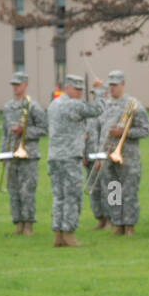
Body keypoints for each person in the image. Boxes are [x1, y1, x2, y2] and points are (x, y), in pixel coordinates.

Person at [46, 74, 102, 246]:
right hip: (70, 157)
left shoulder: (54, 104)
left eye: (81, 90)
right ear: (67, 88)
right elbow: (97, 109)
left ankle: (58, 234)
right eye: (76, 89)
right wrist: (99, 90)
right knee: (73, 196)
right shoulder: (73, 104)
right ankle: (69, 234)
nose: (79, 93)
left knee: (59, 196)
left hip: (55, 156)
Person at [94, 70, 149, 236]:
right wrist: (99, 155)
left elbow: (145, 130)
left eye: (115, 85)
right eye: (110, 85)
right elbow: (101, 132)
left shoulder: (134, 105)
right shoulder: (105, 105)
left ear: (123, 84)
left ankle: (129, 225)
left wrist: (125, 133)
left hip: (128, 156)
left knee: (129, 191)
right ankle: (117, 223)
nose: (112, 88)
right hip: (108, 155)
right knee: (113, 190)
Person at [1, 72, 48, 236]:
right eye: (13, 84)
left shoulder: (33, 106)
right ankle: (18, 223)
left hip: (29, 154)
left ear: (26, 85)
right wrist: (3, 153)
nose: (15, 87)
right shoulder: (8, 107)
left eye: (18, 84)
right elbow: (5, 132)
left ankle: (29, 224)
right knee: (13, 191)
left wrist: (25, 131)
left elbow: (44, 129)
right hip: (12, 154)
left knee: (27, 191)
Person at [84, 79, 111, 230]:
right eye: (94, 94)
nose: (96, 97)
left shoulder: (109, 111)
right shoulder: (90, 113)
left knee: (111, 188)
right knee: (94, 189)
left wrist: (102, 156)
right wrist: (83, 154)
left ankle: (114, 219)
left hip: (104, 157)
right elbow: (85, 134)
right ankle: (100, 217)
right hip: (90, 156)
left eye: (99, 94)